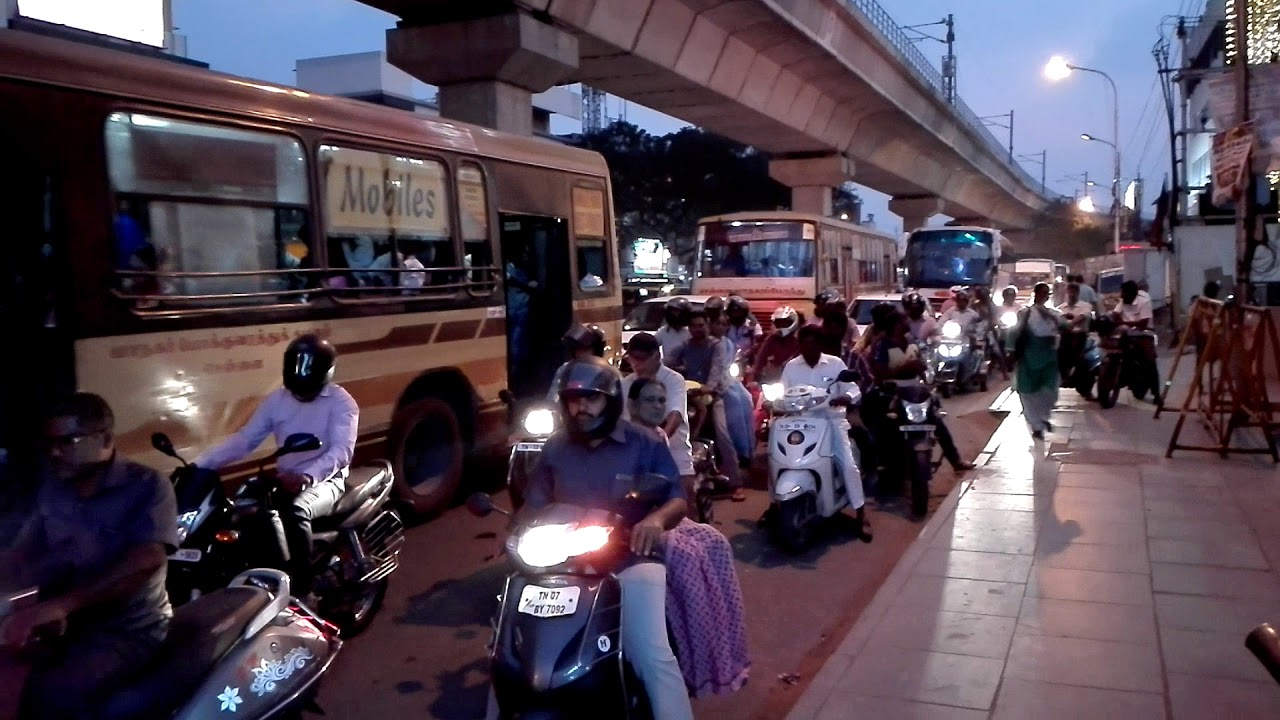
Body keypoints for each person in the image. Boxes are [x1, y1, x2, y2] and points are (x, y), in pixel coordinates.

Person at [519, 358, 694, 720]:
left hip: (629, 559)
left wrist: (655, 521)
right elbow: (533, 503)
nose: (580, 408)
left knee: (651, 652)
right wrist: (514, 533)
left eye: (591, 399)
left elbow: (677, 497)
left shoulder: (644, 441)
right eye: (573, 400)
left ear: (611, 400)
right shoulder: (555, 447)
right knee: (512, 646)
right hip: (561, 563)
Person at [1, 393, 177, 719]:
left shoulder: (148, 486)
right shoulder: (52, 486)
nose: (54, 452)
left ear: (106, 439)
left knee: (53, 695)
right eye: (49, 443)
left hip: (127, 630)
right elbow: (22, 546)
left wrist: (65, 604)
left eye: (68, 441)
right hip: (63, 625)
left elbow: (146, 559)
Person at [194, 334, 358, 595]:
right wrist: (200, 466)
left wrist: (306, 477)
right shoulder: (277, 400)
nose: (301, 394)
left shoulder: (341, 403)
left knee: (296, 512)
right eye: (296, 389)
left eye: (308, 389)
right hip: (284, 478)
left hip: (327, 481)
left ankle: (303, 590)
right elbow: (246, 439)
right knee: (242, 505)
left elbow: (341, 452)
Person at [780, 326, 871, 541]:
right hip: (798, 422)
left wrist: (847, 397)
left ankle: (861, 513)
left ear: (820, 345)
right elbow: (782, 392)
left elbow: (853, 388)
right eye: (804, 343)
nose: (808, 348)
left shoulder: (835, 364)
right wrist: (769, 402)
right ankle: (777, 504)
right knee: (780, 458)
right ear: (799, 345)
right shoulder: (792, 367)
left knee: (848, 465)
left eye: (813, 343)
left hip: (831, 421)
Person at [865, 311, 975, 473]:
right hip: (892, 392)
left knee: (936, 422)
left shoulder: (910, 341)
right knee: (886, 426)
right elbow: (878, 373)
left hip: (915, 390)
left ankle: (955, 460)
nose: (908, 323)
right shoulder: (882, 345)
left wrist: (925, 371)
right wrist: (903, 369)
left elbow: (922, 363)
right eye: (904, 321)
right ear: (896, 325)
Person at [668, 310, 744, 497]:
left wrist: (708, 387)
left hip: (713, 396)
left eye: (701, 325)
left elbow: (717, 369)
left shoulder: (716, 346)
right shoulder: (685, 346)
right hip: (688, 396)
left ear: (707, 326)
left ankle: (736, 484)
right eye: (693, 326)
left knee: (723, 434)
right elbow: (667, 363)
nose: (697, 329)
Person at [621, 333, 697, 510]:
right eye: (633, 359)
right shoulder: (625, 384)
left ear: (656, 356)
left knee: (683, 506)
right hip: (632, 457)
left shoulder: (674, 380)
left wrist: (659, 442)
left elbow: (675, 415)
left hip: (675, 452)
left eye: (642, 359)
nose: (637, 365)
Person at [1007, 283, 1065, 439]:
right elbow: (1014, 333)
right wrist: (1011, 353)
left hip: (1049, 359)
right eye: (1043, 292)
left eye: (1048, 293)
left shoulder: (1053, 314)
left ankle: (1043, 418)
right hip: (1028, 359)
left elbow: (1064, 326)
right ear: (1036, 293)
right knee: (1028, 394)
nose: (1045, 295)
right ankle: (1036, 426)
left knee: (1049, 393)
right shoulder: (1024, 313)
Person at [710, 313, 757, 466]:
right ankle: (739, 450)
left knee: (747, 400)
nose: (721, 327)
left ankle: (749, 449)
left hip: (729, 380)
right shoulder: (710, 343)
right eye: (718, 323)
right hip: (717, 385)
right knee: (736, 403)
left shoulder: (728, 343)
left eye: (724, 324)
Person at [546, 324, 607, 402]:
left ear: (597, 349)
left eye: (585, 349)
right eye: (578, 349)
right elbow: (553, 395)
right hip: (569, 410)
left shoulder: (606, 372)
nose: (580, 353)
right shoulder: (565, 369)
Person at [1057, 282, 1095, 396]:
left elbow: (1082, 317)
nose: (1071, 294)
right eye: (1070, 291)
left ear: (1078, 293)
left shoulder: (1085, 306)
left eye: (1074, 291)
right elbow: (1057, 320)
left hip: (1080, 336)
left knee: (1081, 358)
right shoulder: (1060, 308)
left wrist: (1070, 322)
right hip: (1064, 336)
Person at [753, 306, 802, 382]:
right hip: (775, 379)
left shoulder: (800, 340)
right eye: (779, 323)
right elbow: (761, 356)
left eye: (785, 323)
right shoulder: (772, 339)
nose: (782, 326)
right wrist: (756, 373)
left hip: (795, 377)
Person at [656, 297, 692, 363]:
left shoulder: (691, 331)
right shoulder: (663, 332)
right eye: (671, 311)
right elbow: (650, 347)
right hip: (670, 369)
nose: (673, 315)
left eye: (676, 312)